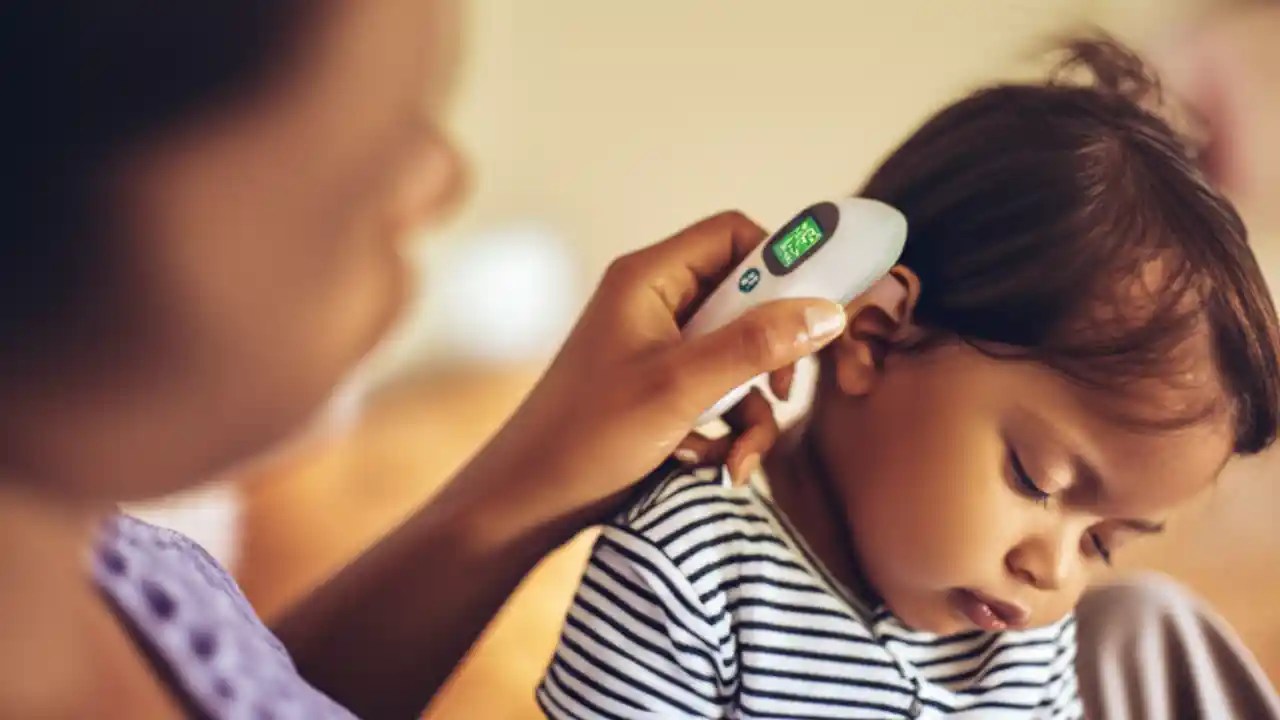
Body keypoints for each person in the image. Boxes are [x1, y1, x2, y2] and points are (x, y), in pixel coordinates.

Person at [0, 3, 1277, 720]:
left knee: (1151, 640)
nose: (439, 179)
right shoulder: (694, 568)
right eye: (383, 138)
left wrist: (527, 477)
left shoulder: (121, 581)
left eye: (1104, 533)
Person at [537, 38, 1280, 719]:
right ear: (877, 339)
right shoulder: (690, 570)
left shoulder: (1020, 647)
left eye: (1103, 544)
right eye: (1036, 481)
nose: (1051, 570)